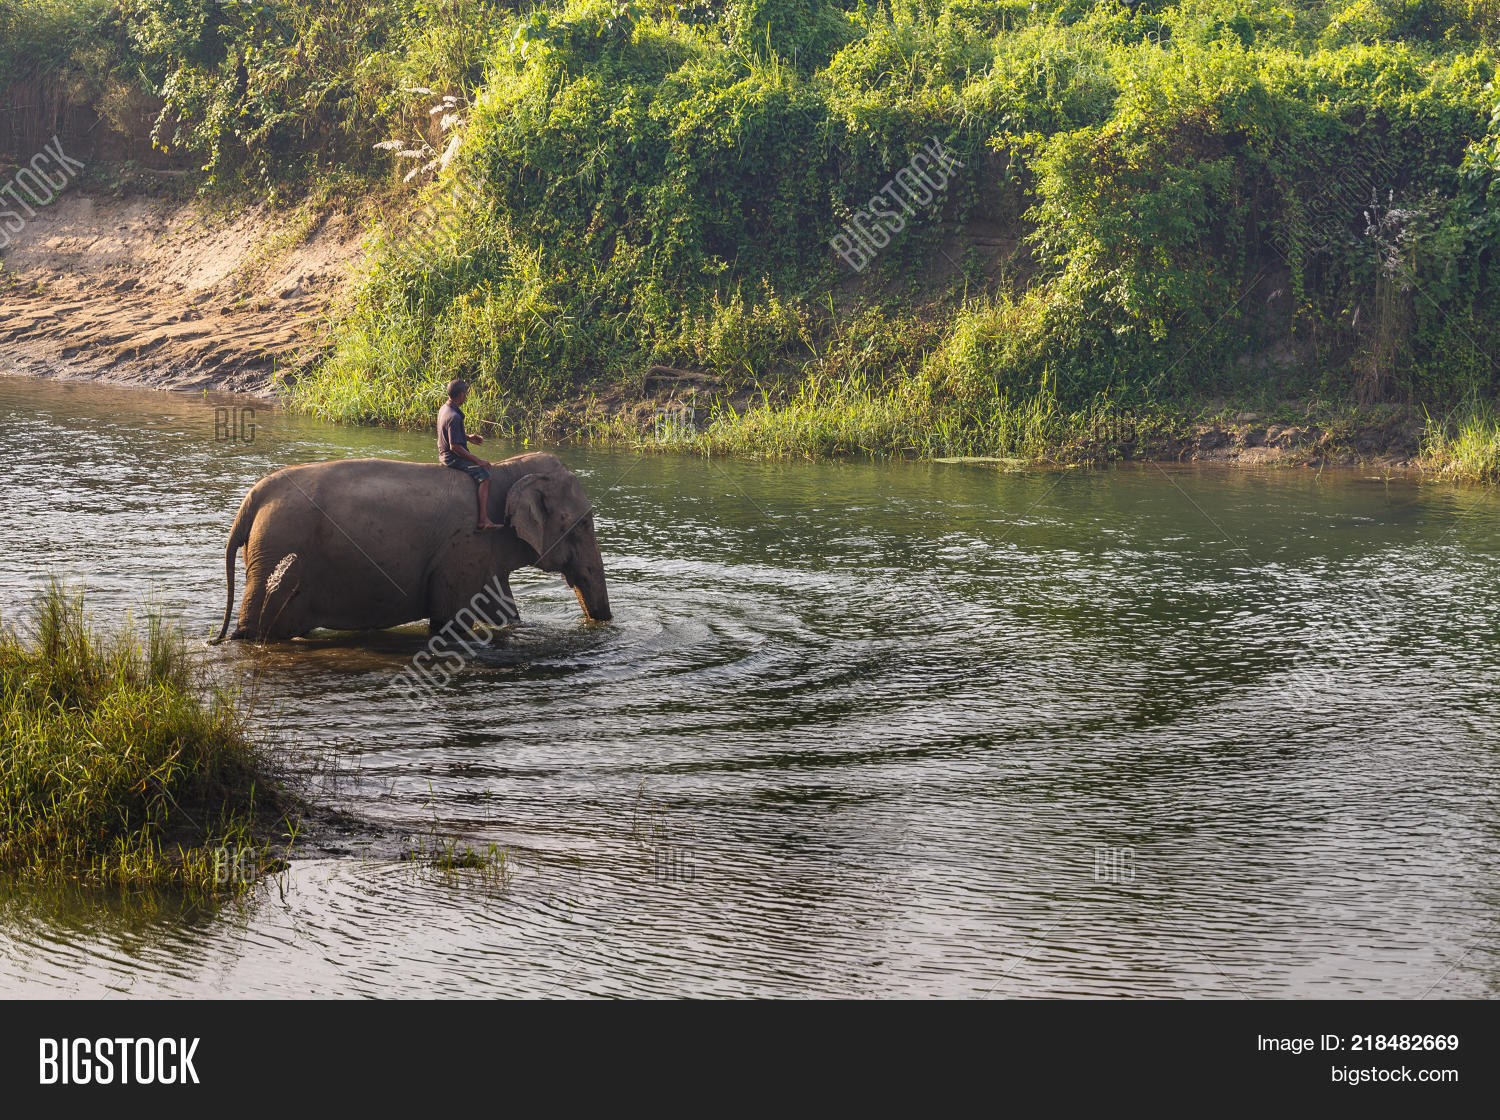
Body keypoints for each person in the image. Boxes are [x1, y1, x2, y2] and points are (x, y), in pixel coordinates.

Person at [438, 379, 503, 531]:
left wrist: (467, 437)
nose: (466, 397)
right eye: (465, 394)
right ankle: (483, 520)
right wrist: (478, 460)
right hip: (452, 458)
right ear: (460, 395)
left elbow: (448, 433)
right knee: (485, 476)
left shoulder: (445, 409)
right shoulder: (454, 416)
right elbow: (455, 447)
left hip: (443, 453)